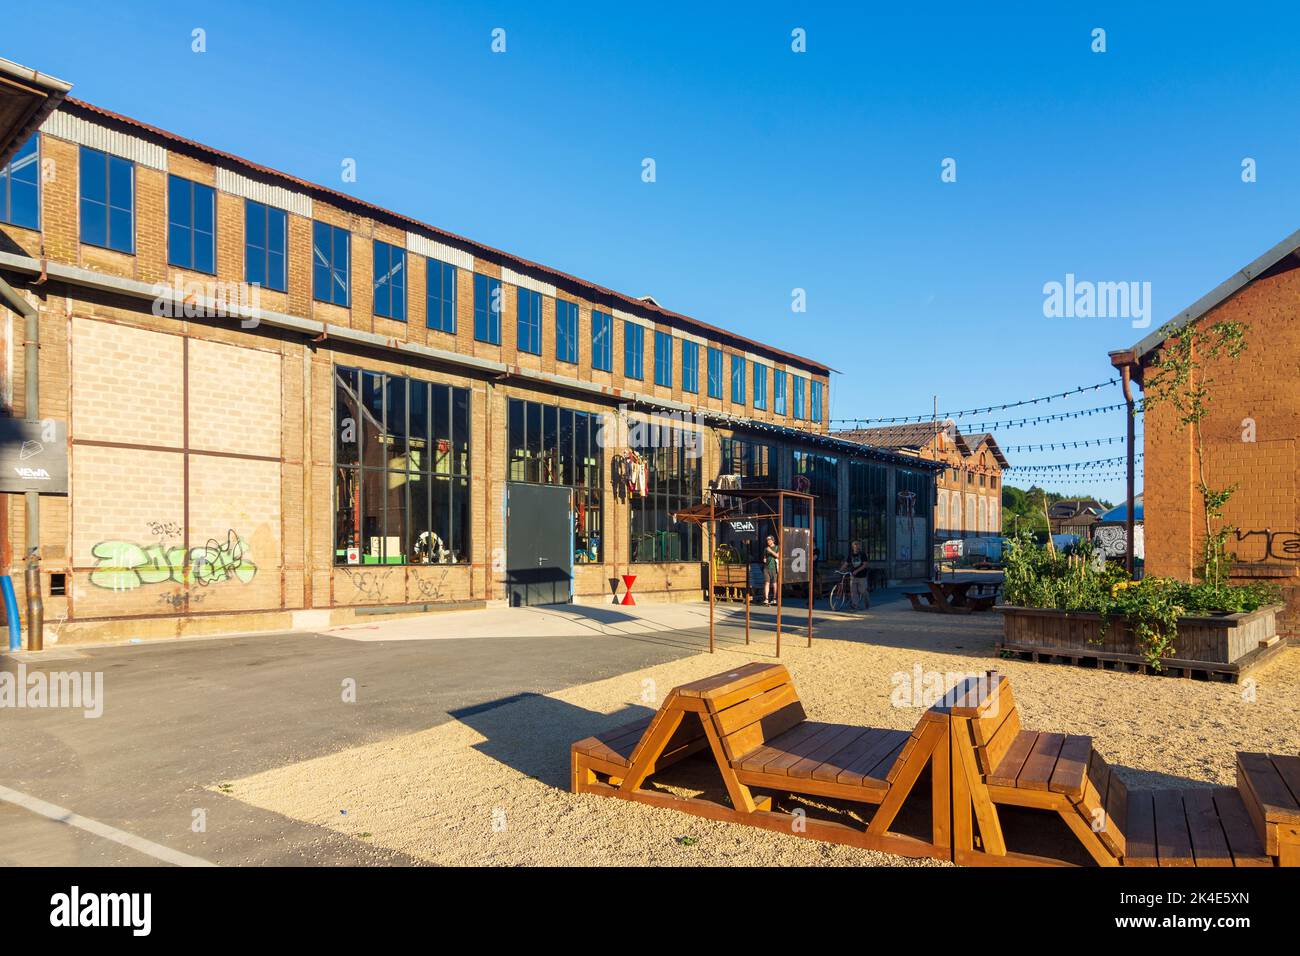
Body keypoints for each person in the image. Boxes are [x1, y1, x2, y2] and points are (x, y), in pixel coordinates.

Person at [842, 539, 870, 610]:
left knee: (862, 591)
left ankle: (867, 602)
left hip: (862, 576)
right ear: (853, 547)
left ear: (859, 547)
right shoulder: (850, 555)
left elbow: (865, 565)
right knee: (853, 592)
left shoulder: (862, 554)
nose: (856, 547)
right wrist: (840, 569)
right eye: (855, 546)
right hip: (853, 576)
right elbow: (846, 564)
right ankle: (855, 605)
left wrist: (857, 571)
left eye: (858, 546)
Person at [762, 534, 780, 606]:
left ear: (773, 540)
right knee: (767, 583)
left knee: (774, 583)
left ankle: (774, 598)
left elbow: (778, 556)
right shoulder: (766, 549)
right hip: (766, 568)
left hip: (774, 568)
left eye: (769, 540)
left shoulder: (777, 547)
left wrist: (771, 551)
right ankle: (766, 599)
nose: (768, 542)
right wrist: (764, 559)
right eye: (767, 540)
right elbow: (765, 557)